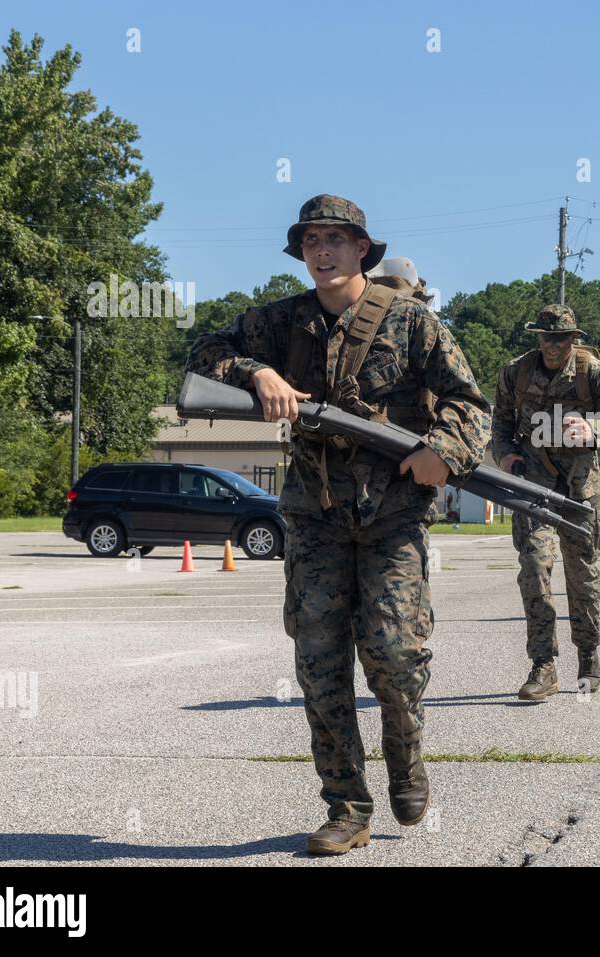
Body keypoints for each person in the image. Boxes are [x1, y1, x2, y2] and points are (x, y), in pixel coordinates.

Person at [185, 194, 491, 855]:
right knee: (320, 666)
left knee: (394, 656)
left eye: (336, 239)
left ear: (362, 250)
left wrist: (444, 450)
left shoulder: (410, 321)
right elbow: (202, 354)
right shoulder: (279, 322)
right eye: (311, 240)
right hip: (315, 516)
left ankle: (405, 756)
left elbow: (469, 402)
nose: (322, 251)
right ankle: (347, 807)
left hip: (393, 514)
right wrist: (257, 371)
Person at [492, 304, 600, 702]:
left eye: (562, 338)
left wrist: (593, 428)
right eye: (547, 337)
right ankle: (543, 664)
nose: (554, 346)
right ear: (538, 337)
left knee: (581, 573)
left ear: (573, 338)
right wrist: (504, 455)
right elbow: (500, 422)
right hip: (533, 484)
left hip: (579, 487)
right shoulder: (515, 372)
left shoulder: (593, 372)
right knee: (534, 566)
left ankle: (588, 653)